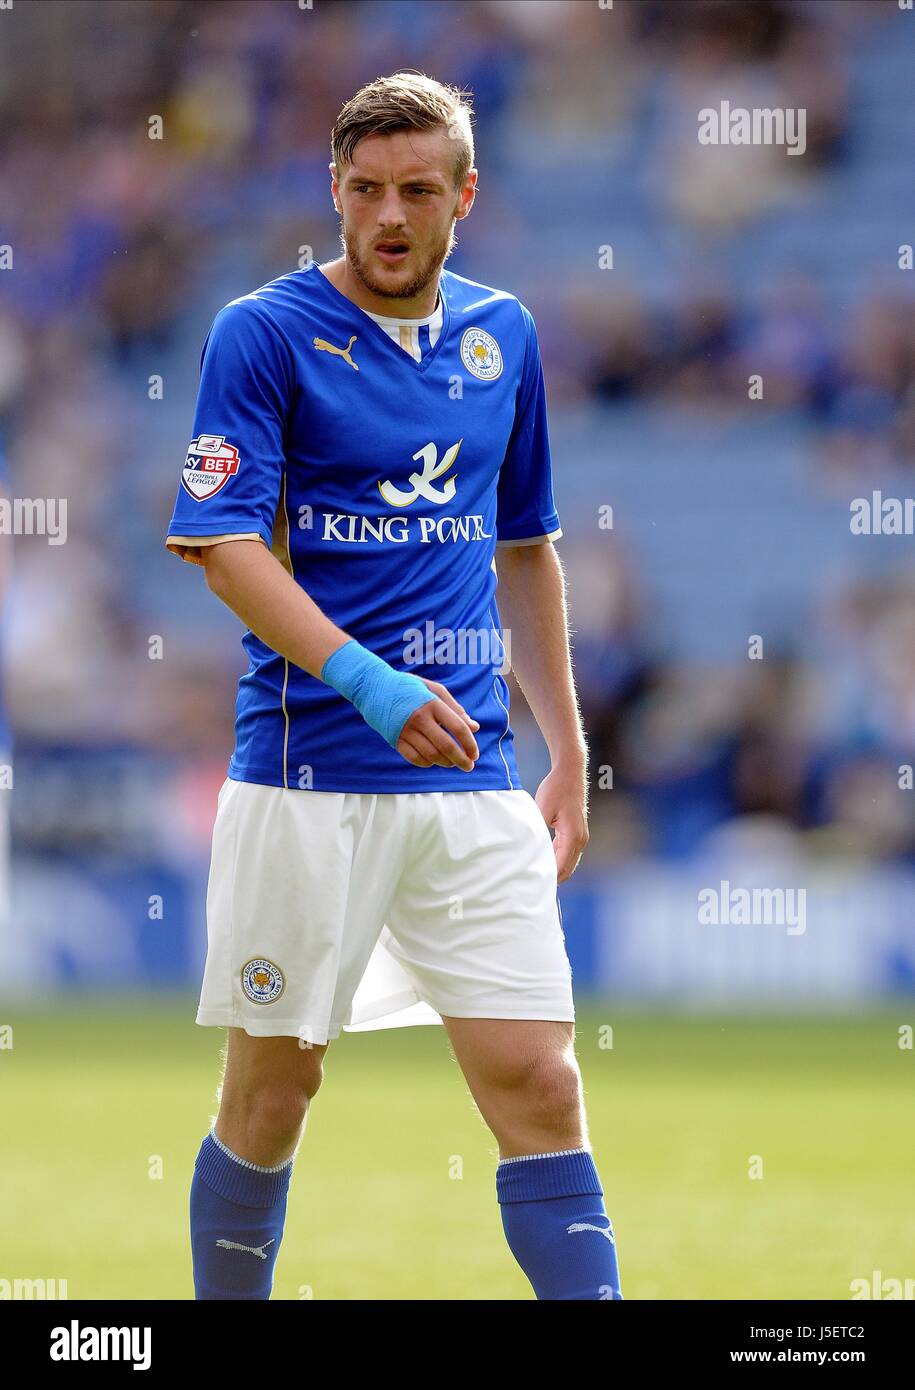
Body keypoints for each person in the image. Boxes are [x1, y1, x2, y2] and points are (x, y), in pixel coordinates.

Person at [166, 70, 621, 1302]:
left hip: (473, 778)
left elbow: (524, 544)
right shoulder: (260, 334)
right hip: (307, 774)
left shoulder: (504, 336)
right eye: (364, 190)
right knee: (275, 1092)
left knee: (540, 1081)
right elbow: (222, 545)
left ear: (464, 196)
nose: (388, 216)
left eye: (418, 190)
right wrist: (367, 683)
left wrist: (567, 749)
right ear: (334, 192)